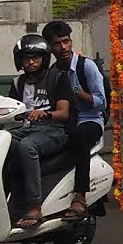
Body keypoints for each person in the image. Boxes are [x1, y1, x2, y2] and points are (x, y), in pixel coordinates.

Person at [6, 35, 74, 228]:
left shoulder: (58, 78)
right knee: (0, 141)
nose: (31, 61)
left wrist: (45, 113)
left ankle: (35, 205)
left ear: (44, 59)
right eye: (26, 58)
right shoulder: (17, 83)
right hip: (26, 130)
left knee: (28, 147)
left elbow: (63, 113)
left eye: (36, 57)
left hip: (53, 129)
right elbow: (10, 109)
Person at [42, 20, 106, 221]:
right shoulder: (52, 73)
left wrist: (77, 93)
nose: (63, 48)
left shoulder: (86, 66)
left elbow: (101, 102)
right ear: (50, 48)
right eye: (57, 44)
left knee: (79, 137)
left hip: (90, 120)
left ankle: (80, 195)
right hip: (64, 123)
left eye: (66, 42)